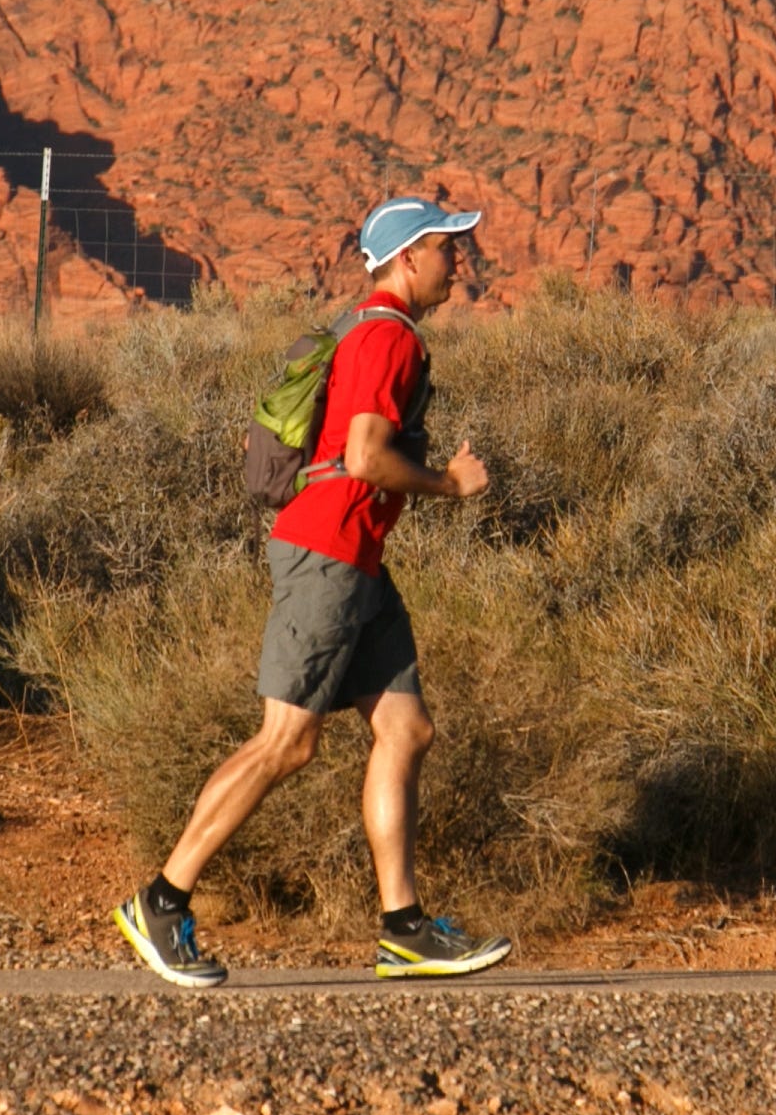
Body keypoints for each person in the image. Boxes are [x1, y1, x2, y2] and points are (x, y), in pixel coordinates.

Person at [112, 195, 514, 987]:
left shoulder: (371, 328)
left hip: (357, 558)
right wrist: (447, 483)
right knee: (287, 741)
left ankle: (404, 930)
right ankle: (161, 900)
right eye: (446, 247)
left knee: (406, 728)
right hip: (328, 551)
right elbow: (364, 456)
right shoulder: (388, 337)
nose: (457, 261)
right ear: (407, 258)